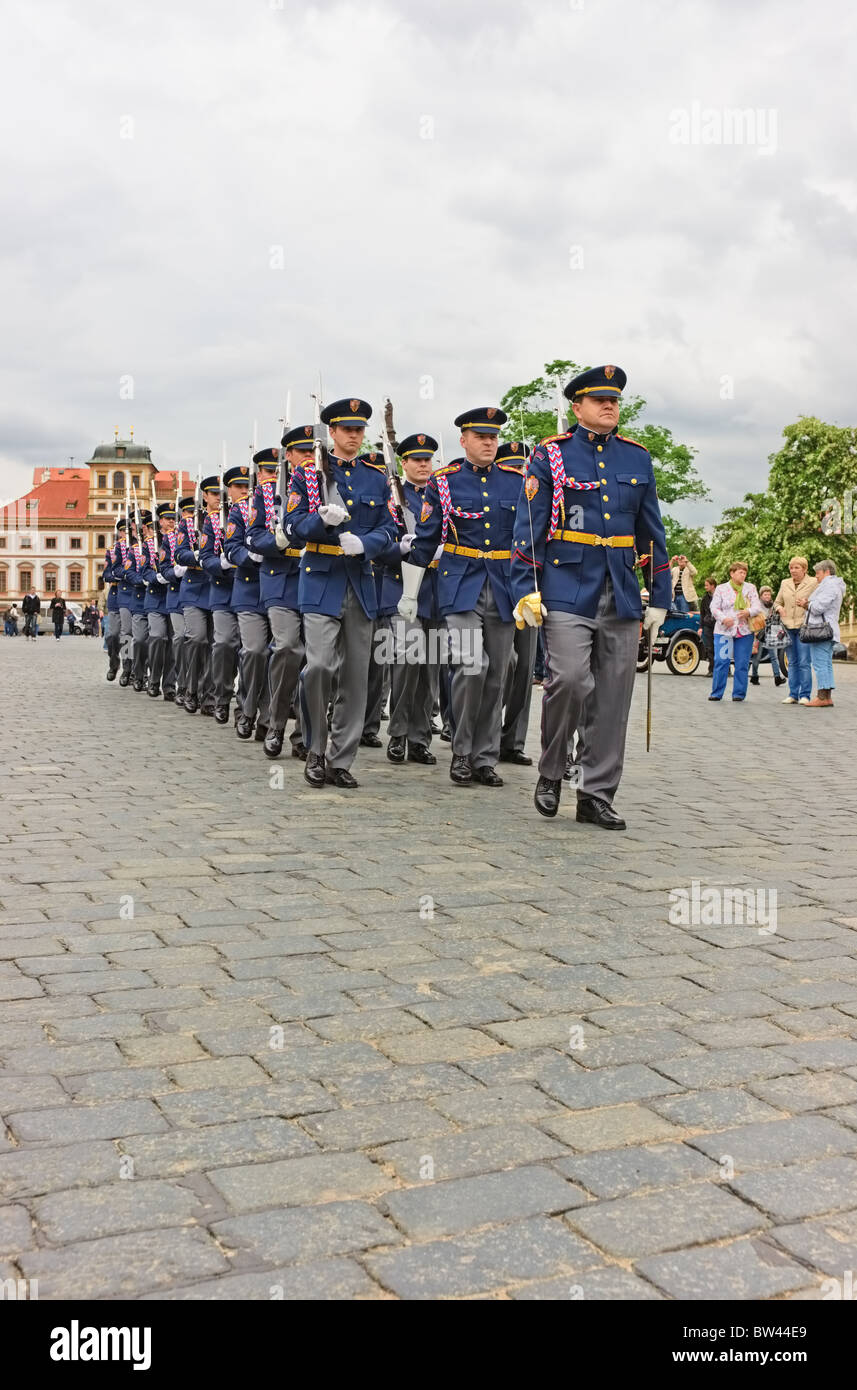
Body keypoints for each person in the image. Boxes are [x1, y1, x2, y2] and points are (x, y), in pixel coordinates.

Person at [510, 365, 670, 826]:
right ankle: (552, 769)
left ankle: (595, 793)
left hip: (620, 589)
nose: (609, 407)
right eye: (599, 400)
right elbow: (530, 529)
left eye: (615, 401)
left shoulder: (637, 458)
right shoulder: (550, 456)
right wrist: (527, 589)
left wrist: (659, 595)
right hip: (564, 588)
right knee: (571, 680)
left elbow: (652, 532)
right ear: (576, 407)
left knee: (614, 696)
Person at [400, 406, 523, 789]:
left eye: (493, 437)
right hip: (460, 587)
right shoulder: (445, 482)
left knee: (497, 674)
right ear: (464, 441)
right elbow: (425, 540)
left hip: (503, 588)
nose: (489, 442)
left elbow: (528, 541)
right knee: (472, 664)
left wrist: (532, 590)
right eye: (481, 437)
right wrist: (410, 592)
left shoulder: (516, 482)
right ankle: (462, 751)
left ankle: (485, 758)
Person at [286, 397, 397, 789]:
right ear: (331, 432)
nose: (354, 435)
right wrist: (320, 520)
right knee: (319, 667)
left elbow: (390, 529)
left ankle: (340, 759)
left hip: (360, 581)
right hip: (320, 579)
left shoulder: (375, 476)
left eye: (359, 429)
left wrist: (365, 544)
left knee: (356, 676)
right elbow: (294, 525)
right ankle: (315, 747)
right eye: (347, 429)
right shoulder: (309, 475)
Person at [376, 431, 441, 767]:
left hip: (435, 588)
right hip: (400, 587)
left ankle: (420, 738)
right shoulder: (390, 497)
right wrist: (396, 547)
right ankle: (399, 732)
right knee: (408, 657)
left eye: (428, 459)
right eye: (417, 460)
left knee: (429, 666)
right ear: (404, 463)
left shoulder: (442, 494)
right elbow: (377, 541)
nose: (424, 465)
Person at [247, 433, 310, 759]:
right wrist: (279, 542)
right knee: (287, 647)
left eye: (313, 450)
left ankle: (304, 735)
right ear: (289, 455)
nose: (307, 456)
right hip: (280, 582)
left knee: (316, 661)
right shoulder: (267, 492)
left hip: (317, 578)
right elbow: (254, 537)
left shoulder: (327, 487)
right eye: (301, 451)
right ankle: (274, 724)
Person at [497, 441, 536, 766]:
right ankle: (487, 733)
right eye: (511, 467)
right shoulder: (496, 496)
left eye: (521, 467)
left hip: (529, 593)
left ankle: (513, 741)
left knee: (524, 669)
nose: (518, 472)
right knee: (502, 665)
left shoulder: (537, 498)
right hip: (498, 589)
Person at [200, 469, 246, 724]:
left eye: (245, 486)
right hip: (223, 589)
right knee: (226, 643)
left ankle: (245, 706)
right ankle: (221, 696)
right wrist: (223, 564)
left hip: (252, 588)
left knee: (251, 651)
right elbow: (206, 557)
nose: (243, 491)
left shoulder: (254, 513)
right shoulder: (213, 521)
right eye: (237, 487)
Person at [174, 483, 215, 714]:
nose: (219, 498)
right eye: (214, 494)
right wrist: (198, 555)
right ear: (205, 497)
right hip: (194, 589)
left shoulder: (225, 519)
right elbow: (180, 553)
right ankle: (190, 688)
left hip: (218, 587)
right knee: (197, 639)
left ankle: (208, 695)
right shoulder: (189, 524)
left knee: (215, 645)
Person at [709, 561, 764, 702]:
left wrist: (749, 611)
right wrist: (723, 618)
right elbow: (714, 608)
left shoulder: (750, 588)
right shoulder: (721, 589)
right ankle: (716, 692)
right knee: (721, 661)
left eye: (745, 572)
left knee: (742, 663)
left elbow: (758, 606)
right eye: (740, 572)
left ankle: (739, 694)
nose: (743, 575)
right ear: (732, 573)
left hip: (744, 632)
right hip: (724, 631)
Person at [140, 503, 177, 701]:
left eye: (173, 517)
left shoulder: (180, 539)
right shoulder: (150, 543)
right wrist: (157, 577)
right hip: (155, 597)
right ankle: (154, 678)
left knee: (172, 643)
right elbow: (144, 571)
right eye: (167, 518)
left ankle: (169, 685)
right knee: (158, 637)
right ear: (159, 521)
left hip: (173, 596)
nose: (171, 521)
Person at [796, 559, 846, 707]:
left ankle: (822, 697)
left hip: (821, 630)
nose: (816, 576)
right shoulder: (832, 585)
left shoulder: (829, 586)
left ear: (827, 572)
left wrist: (806, 604)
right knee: (826, 663)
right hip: (826, 629)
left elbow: (818, 607)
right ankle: (826, 696)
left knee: (819, 664)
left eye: (818, 573)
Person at [774, 556, 817, 706]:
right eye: (791, 567)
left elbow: (818, 602)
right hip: (787, 627)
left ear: (804, 569)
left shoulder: (813, 582)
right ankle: (793, 694)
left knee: (804, 662)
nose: (793, 570)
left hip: (804, 626)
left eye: (796, 567)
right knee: (792, 662)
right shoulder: (785, 583)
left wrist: (807, 604)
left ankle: (805, 695)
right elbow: (777, 602)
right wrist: (779, 608)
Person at [749, 586, 786, 686]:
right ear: (761, 596)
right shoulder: (758, 606)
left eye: (769, 594)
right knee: (757, 656)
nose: (767, 596)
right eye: (765, 594)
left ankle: (777, 677)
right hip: (760, 633)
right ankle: (754, 676)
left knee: (774, 656)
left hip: (771, 632)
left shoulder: (773, 605)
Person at [699, 576, 716, 675]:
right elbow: (702, 613)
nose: (705, 587)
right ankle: (711, 669)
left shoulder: (720, 596)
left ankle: (726, 670)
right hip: (708, 625)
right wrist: (701, 627)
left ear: (712, 586)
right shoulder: (705, 598)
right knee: (709, 648)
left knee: (719, 648)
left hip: (718, 625)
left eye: (707, 585)